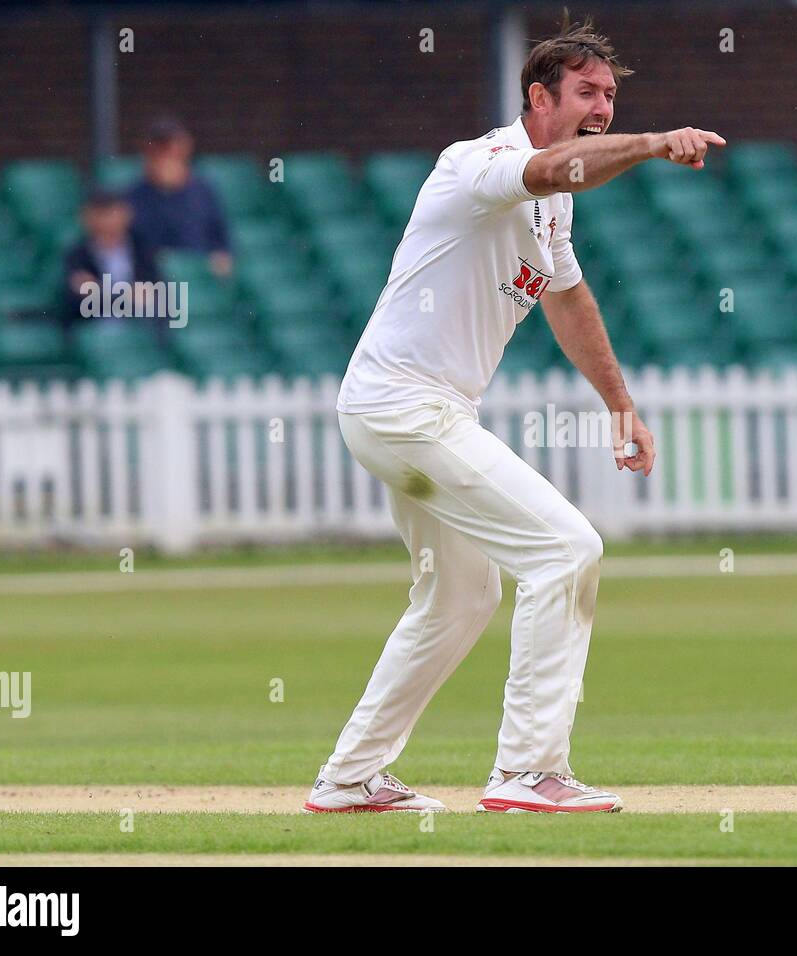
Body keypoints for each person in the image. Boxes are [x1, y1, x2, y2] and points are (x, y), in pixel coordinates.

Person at [307, 16, 724, 814]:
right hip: (405, 409)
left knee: (460, 596)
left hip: (407, 411)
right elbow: (561, 164)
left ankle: (350, 777)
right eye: (586, 93)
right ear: (539, 96)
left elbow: (568, 301)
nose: (601, 107)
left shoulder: (552, 212)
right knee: (567, 550)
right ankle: (528, 772)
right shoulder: (483, 164)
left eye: (610, 96)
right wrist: (650, 143)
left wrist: (620, 404)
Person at [125, 116, 233, 278]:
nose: (165, 156)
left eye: (170, 148)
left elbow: (221, 237)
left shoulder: (202, 191)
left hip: (199, 275)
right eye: (158, 149)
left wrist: (222, 257)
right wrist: (164, 190)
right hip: (154, 281)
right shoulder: (132, 196)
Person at [62, 189, 162, 331]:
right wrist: (128, 296)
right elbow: (78, 302)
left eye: (111, 212)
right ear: (87, 217)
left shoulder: (142, 251)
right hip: (96, 328)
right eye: (101, 213)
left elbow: (155, 292)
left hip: (140, 325)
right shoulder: (77, 255)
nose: (107, 221)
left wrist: (100, 292)